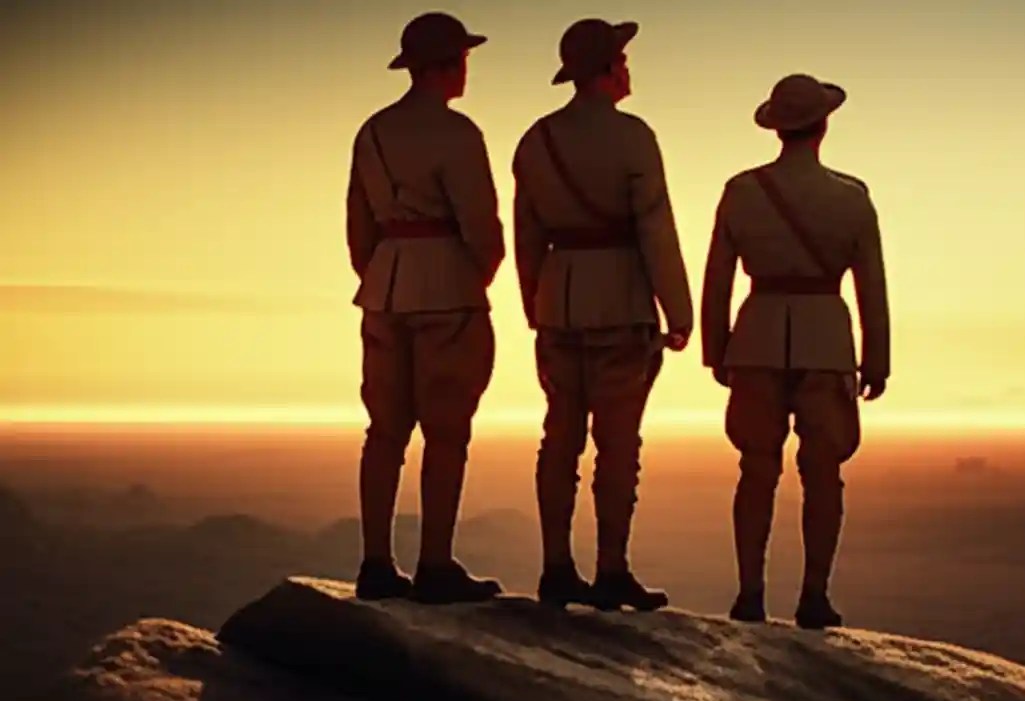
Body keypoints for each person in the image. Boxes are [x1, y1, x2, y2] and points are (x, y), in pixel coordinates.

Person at [512, 18, 694, 612]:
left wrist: (535, 305)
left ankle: (555, 567)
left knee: (559, 437)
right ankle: (611, 570)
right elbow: (656, 229)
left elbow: (527, 236)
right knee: (618, 446)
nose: (629, 68)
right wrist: (679, 308)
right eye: (623, 58)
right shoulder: (635, 138)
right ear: (610, 68)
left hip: (558, 304)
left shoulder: (534, 141)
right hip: (620, 303)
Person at [700, 74, 891, 629]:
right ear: (823, 125)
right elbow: (871, 284)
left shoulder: (741, 191)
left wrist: (718, 348)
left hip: (757, 335)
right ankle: (814, 596)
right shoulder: (851, 197)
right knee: (824, 472)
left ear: (777, 128)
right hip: (827, 339)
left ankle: (749, 593)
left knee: (755, 469)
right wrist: (876, 358)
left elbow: (717, 277)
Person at [346, 12, 505, 604]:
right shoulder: (459, 134)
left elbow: (357, 226)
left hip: (385, 287)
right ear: (447, 65)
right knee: (446, 433)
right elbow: (483, 229)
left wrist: (382, 274)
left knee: (384, 431)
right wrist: (472, 281)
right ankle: (435, 563)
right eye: (462, 58)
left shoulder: (373, 132)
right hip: (447, 290)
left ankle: (375, 563)